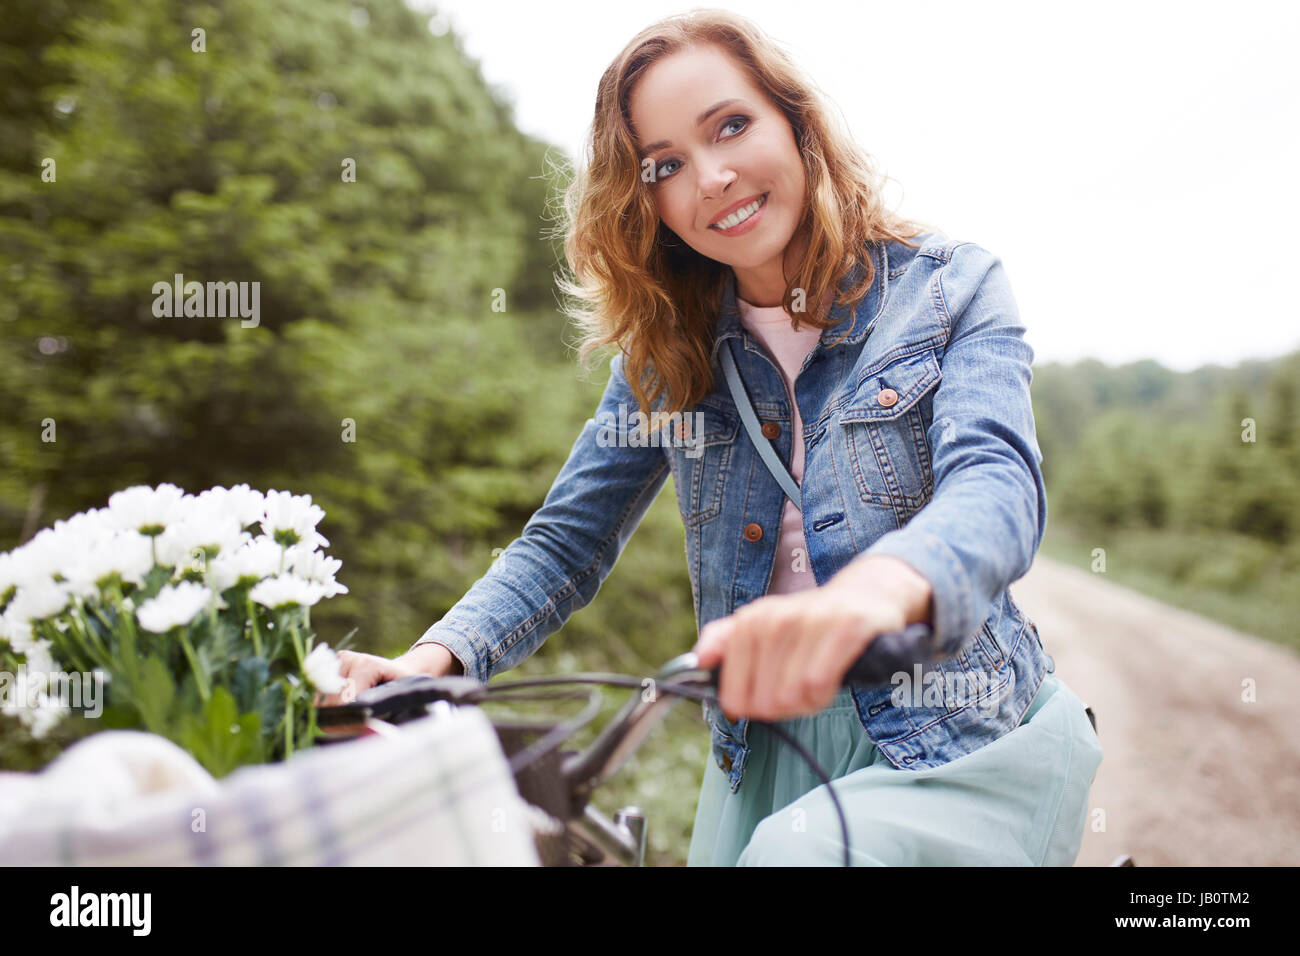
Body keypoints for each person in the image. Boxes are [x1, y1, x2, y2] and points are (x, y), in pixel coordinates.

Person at [321, 10, 1103, 866]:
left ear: (795, 121)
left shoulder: (952, 288)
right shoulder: (667, 354)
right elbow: (566, 541)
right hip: (763, 749)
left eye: (731, 125)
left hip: (956, 730)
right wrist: (433, 661)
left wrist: (875, 592)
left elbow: (996, 485)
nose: (713, 178)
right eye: (666, 165)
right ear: (645, 199)